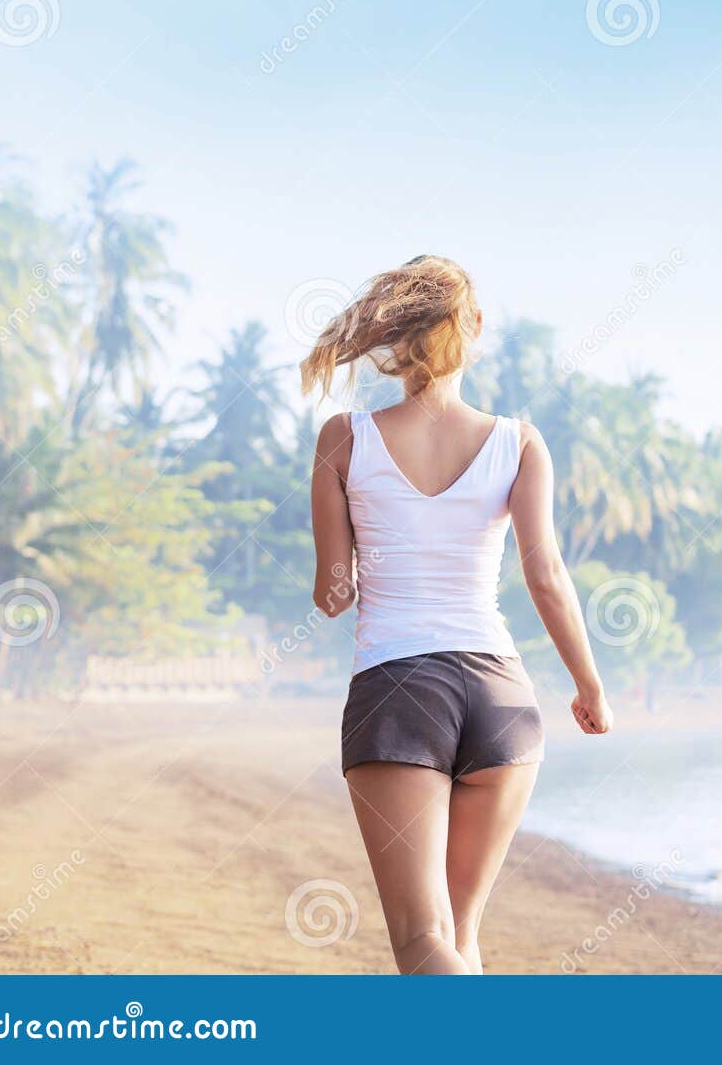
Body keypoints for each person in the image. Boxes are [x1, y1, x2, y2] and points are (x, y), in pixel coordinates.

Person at [301, 254, 613, 974]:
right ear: (473, 329)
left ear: (393, 337)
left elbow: (332, 595)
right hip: (501, 695)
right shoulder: (520, 442)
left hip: (397, 695)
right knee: (461, 938)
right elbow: (546, 573)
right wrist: (589, 685)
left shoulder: (343, 440)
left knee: (421, 942)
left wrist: (346, 546)